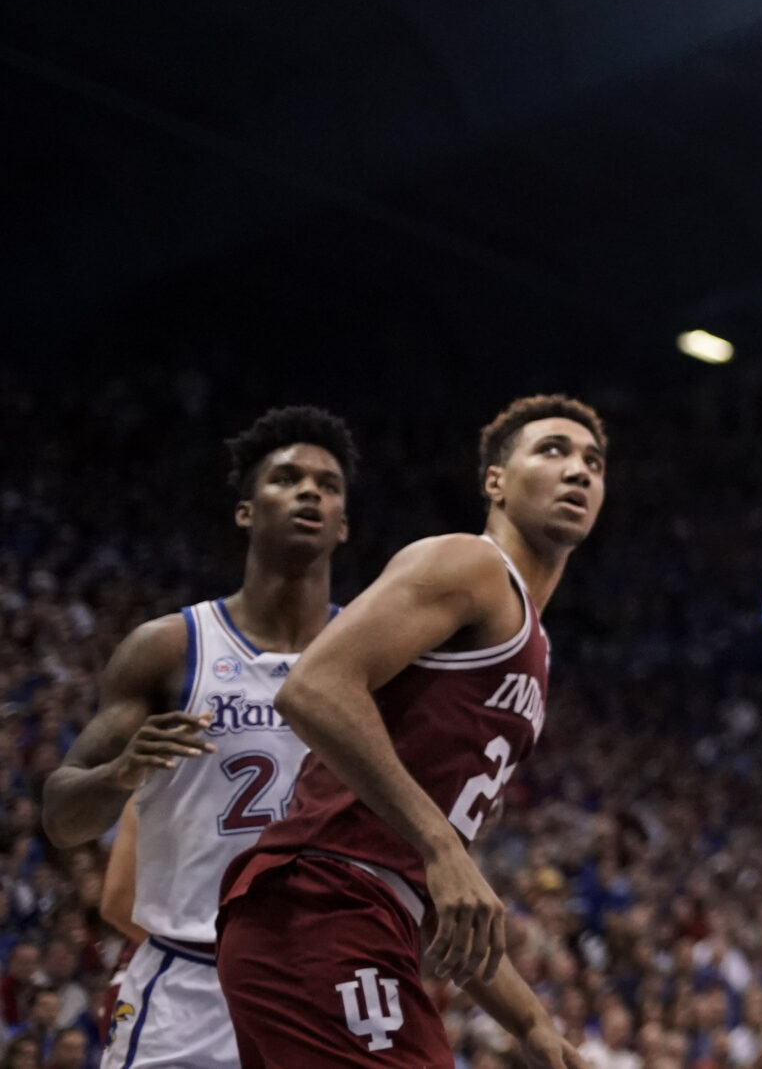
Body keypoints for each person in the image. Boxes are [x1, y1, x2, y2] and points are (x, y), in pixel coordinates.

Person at [213, 397, 606, 1069]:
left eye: (593, 462)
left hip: (356, 916)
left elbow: (438, 893)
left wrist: (531, 1019)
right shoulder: (470, 565)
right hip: (320, 902)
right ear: (496, 481)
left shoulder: (534, 652)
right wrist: (440, 845)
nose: (577, 470)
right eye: (552, 450)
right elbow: (314, 685)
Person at [42, 407, 357, 1069]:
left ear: (343, 523)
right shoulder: (167, 648)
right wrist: (120, 772)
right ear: (245, 510)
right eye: (286, 478)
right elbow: (62, 814)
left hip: (324, 989)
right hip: (190, 984)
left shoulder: (375, 656)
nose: (309, 492)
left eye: (327, 484)